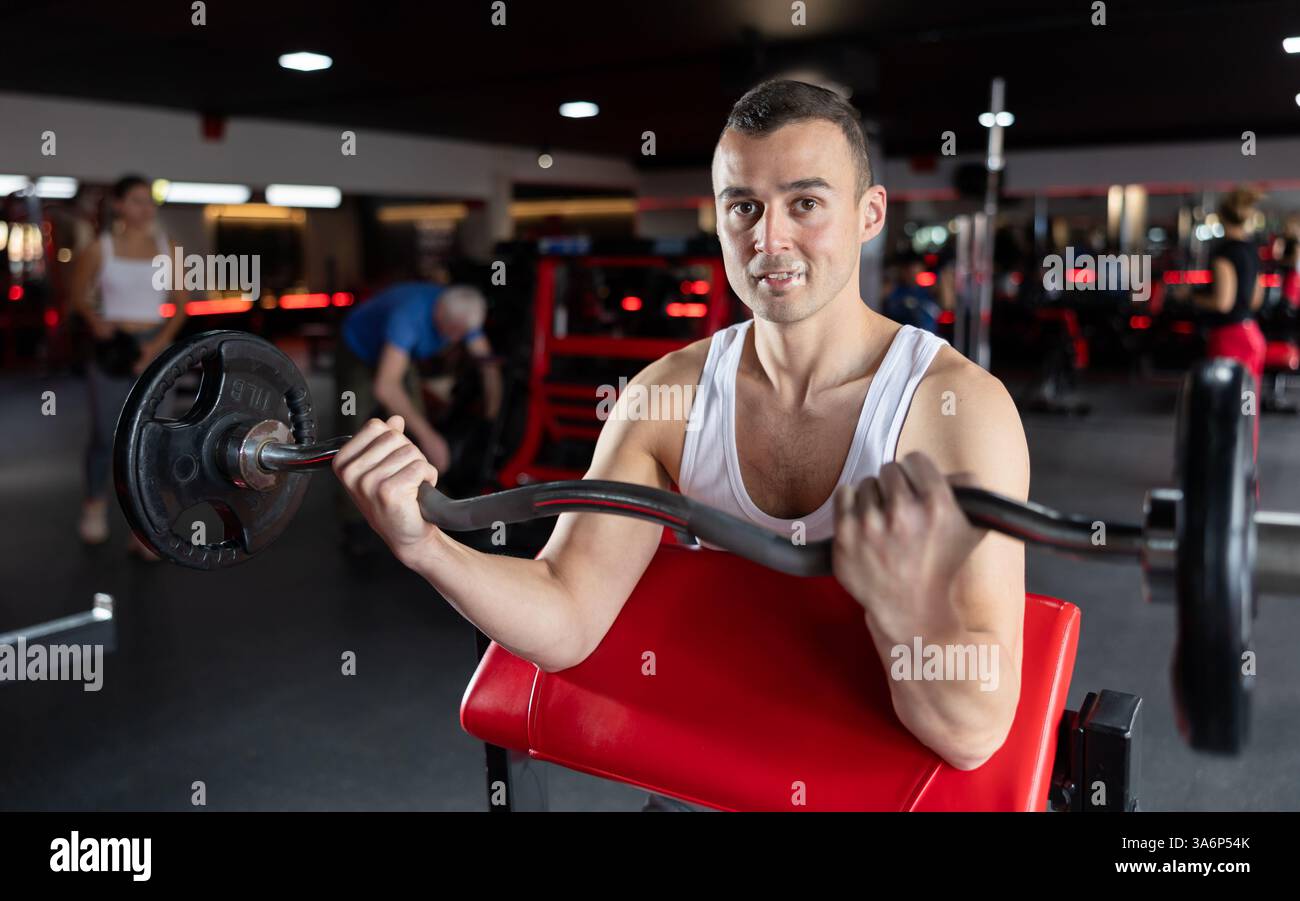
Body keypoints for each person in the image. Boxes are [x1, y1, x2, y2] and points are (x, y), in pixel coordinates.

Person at [334, 81, 1028, 780]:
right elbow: (570, 612)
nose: (769, 238)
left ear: (869, 213)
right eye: (744, 207)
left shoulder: (955, 410)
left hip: (870, 787)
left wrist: (904, 605)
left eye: (806, 203)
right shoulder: (667, 394)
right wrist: (426, 546)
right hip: (710, 781)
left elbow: (974, 733)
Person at [334, 281, 501, 553]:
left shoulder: (462, 312)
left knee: (415, 421)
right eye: (454, 333)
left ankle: (431, 503)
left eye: (463, 334)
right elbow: (385, 386)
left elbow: (488, 366)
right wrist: (431, 438)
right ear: (439, 316)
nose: (457, 340)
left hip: (399, 353)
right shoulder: (408, 317)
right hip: (358, 349)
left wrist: (490, 419)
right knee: (356, 436)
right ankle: (354, 525)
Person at [71, 174, 188, 557]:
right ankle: (95, 506)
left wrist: (156, 343)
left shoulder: (166, 247)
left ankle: (145, 525)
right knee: (107, 434)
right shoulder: (100, 248)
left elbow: (182, 302)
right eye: (136, 200)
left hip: (153, 344)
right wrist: (94, 319)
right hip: (112, 347)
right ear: (119, 204)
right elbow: (76, 296)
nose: (145, 208)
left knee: (152, 438)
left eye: (149, 201)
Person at [1196, 187, 1266, 460]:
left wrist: (1192, 297)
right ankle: (1243, 479)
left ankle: (1220, 479)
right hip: (1252, 335)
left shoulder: (1224, 253)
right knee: (1248, 410)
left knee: (1223, 409)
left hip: (1229, 338)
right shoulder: (1252, 251)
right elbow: (1255, 300)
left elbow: (1223, 302)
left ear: (1222, 218)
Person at [882, 253, 942, 332]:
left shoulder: (928, 291)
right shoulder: (895, 290)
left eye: (917, 272)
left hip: (928, 335)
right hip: (901, 334)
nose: (913, 276)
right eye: (910, 272)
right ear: (903, 271)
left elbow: (945, 304)